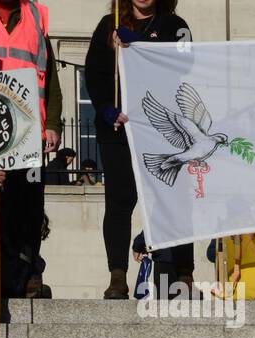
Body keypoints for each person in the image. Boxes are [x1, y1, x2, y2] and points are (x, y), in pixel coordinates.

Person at [86, 0, 194, 300]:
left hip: (163, 129)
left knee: (173, 200)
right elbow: (94, 74)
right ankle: (117, 275)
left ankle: (185, 272)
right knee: (119, 201)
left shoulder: (175, 25)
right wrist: (107, 108)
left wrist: (141, 43)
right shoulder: (108, 27)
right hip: (120, 129)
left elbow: (185, 62)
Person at [0, 0, 62, 325]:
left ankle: (29, 273)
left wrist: (53, 124)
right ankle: (0, 280)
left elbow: (51, 78)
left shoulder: (34, 16)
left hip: (29, 130)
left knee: (28, 208)